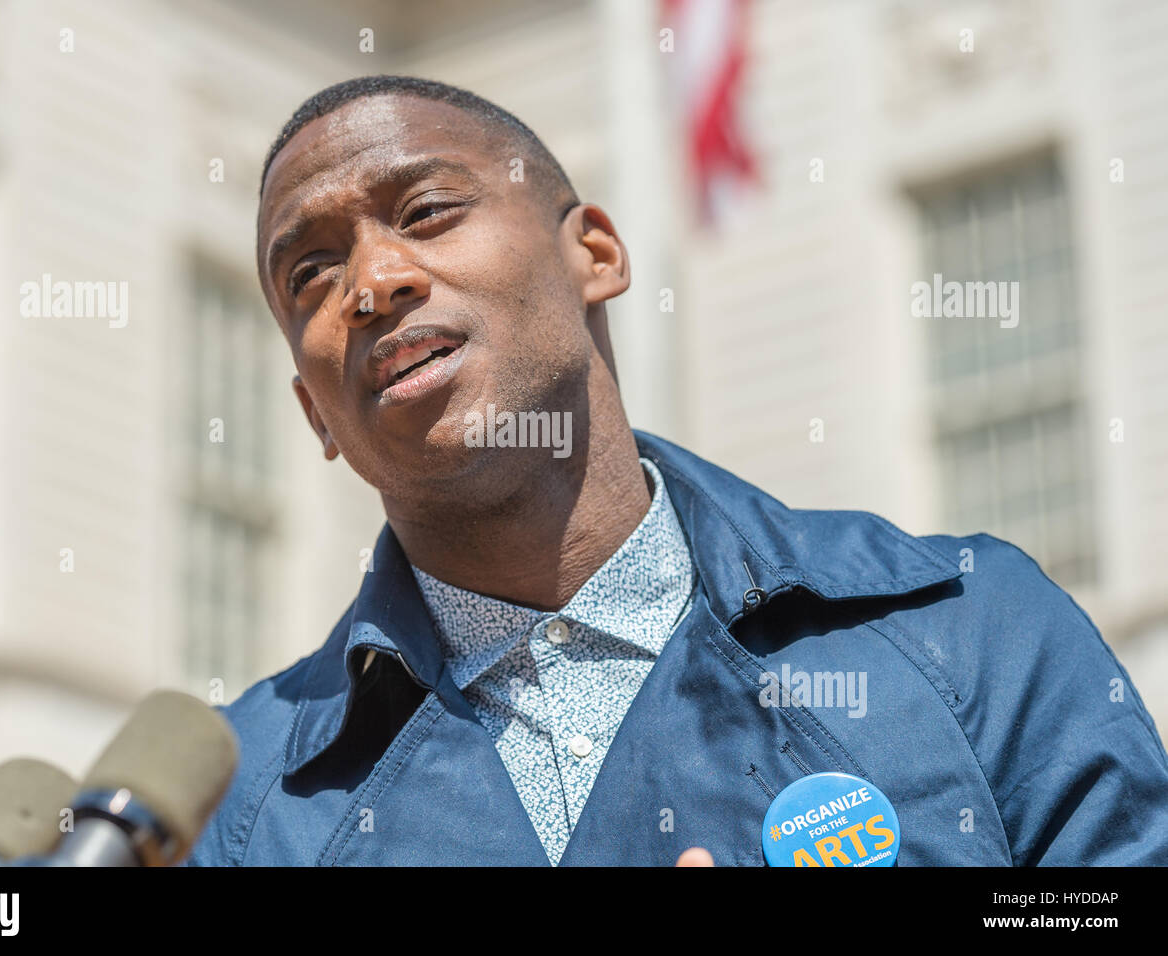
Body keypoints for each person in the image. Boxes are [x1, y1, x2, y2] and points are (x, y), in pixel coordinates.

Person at [187, 74, 1168, 866]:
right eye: (309, 272)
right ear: (312, 409)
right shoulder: (221, 817)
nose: (372, 282)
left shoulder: (968, 629)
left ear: (595, 254)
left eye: (429, 209)